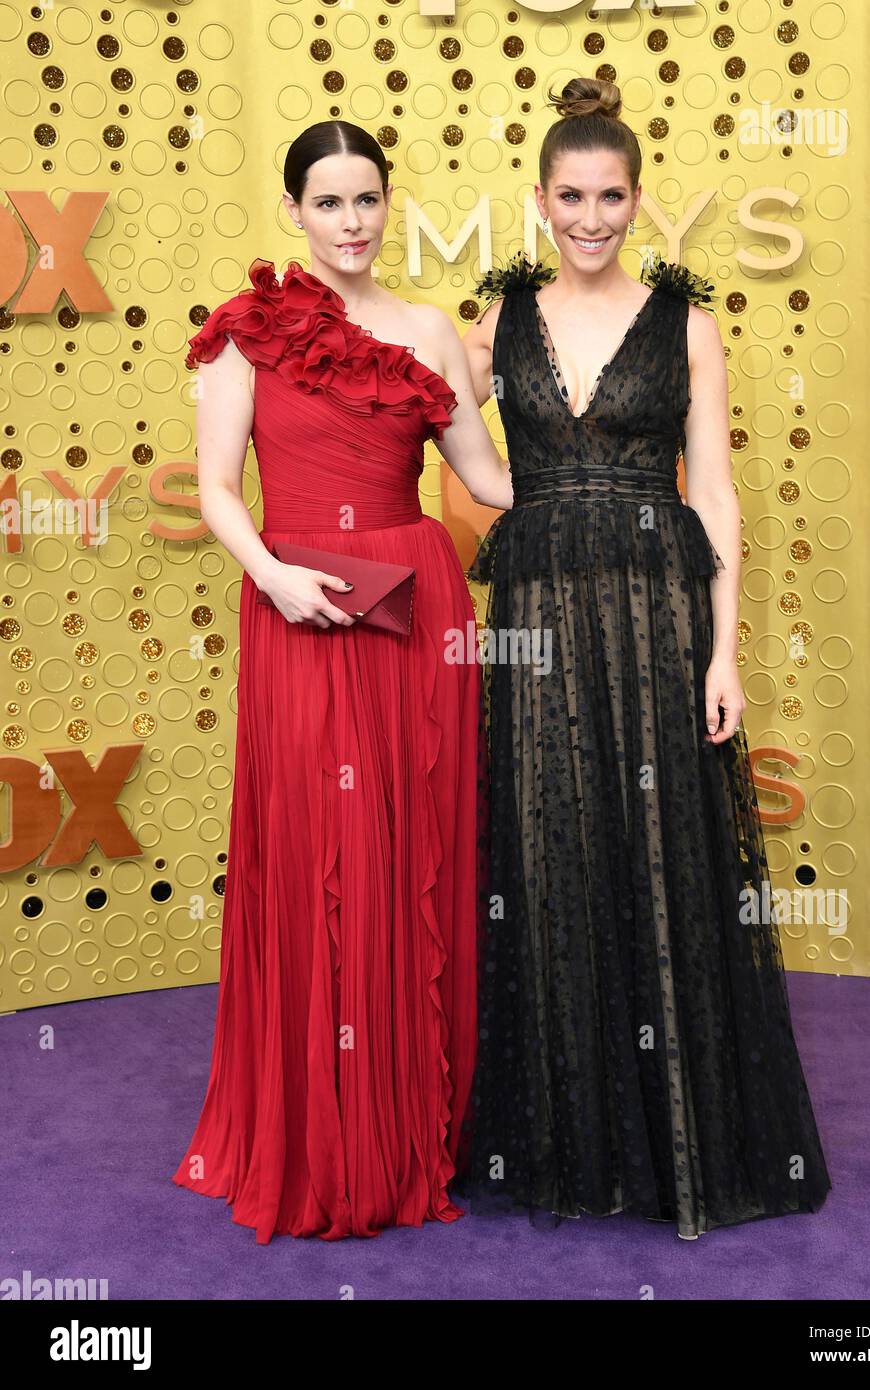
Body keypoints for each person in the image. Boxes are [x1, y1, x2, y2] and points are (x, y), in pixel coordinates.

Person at [453, 77, 831, 1238]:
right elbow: (433, 440)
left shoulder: (688, 323)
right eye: (569, 195)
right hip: (537, 619)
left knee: (665, 863)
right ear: (537, 197)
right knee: (550, 856)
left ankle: (674, 1141)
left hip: (658, 618)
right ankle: (568, 1137)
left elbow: (710, 491)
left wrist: (725, 653)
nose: (590, 216)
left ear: (636, 198)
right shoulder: (489, 325)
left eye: (610, 195)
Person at [171, 120, 511, 1243]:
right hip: (300, 601)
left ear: (386, 204)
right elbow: (219, 486)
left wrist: (594, 449)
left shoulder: (427, 329)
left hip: (417, 608)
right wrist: (270, 575)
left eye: (368, 200)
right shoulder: (245, 335)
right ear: (293, 212)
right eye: (329, 203)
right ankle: (324, 1128)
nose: (352, 222)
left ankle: (417, 1125)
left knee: (415, 852)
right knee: (329, 859)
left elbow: (483, 481)